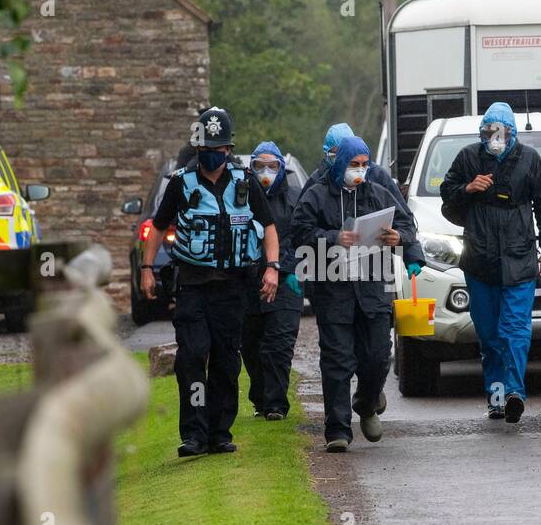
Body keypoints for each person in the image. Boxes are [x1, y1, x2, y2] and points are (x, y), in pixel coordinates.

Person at [141, 107, 281, 457]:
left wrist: (272, 267)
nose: (213, 154)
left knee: (225, 360)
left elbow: (268, 227)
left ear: (229, 148)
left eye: (218, 148)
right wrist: (146, 268)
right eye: (206, 148)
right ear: (198, 149)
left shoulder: (245, 182)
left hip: (233, 288)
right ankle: (194, 434)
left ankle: (220, 431)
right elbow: (158, 226)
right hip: (192, 285)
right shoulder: (180, 183)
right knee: (192, 357)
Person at [293, 136, 416, 452]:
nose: (359, 171)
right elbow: (300, 234)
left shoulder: (379, 195)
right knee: (337, 360)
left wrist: (398, 239)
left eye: (364, 165)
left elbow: (406, 226)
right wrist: (334, 238)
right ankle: (337, 429)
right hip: (333, 290)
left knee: (377, 355)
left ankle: (366, 400)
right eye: (353, 165)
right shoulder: (317, 196)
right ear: (340, 165)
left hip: (373, 288)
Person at [439, 102, 541, 423]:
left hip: (519, 259)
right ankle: (497, 396)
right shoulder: (467, 157)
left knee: (515, 330)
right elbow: (447, 195)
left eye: (501, 133)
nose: (496, 139)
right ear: (482, 134)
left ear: (513, 134)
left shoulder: (530, 159)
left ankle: (515, 392)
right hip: (480, 259)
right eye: (489, 133)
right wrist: (468, 187)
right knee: (490, 335)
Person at [240, 141, 303, 420]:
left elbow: (302, 237)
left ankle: (276, 403)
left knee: (278, 343)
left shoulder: (296, 199)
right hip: (248, 280)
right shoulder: (239, 197)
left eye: (272, 166)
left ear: (282, 168)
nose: (266, 172)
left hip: (286, 279)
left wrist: (285, 269)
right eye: (260, 166)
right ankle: (261, 398)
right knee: (251, 342)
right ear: (251, 168)